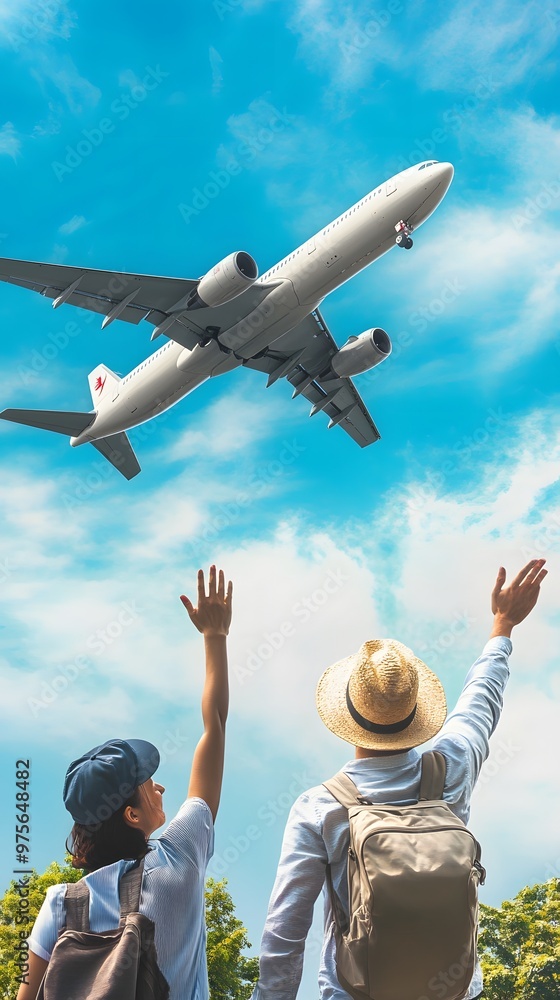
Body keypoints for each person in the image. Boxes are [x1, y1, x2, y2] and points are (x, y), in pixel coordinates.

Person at [250, 557, 548, 1000]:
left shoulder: (320, 807)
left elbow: (286, 932)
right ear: (415, 713)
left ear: (346, 713)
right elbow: (482, 701)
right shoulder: (453, 764)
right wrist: (503, 625)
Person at [18, 565, 233, 1000]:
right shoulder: (179, 860)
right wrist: (215, 637)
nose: (160, 789)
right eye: (148, 784)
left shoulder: (60, 903)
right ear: (131, 814)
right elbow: (215, 727)